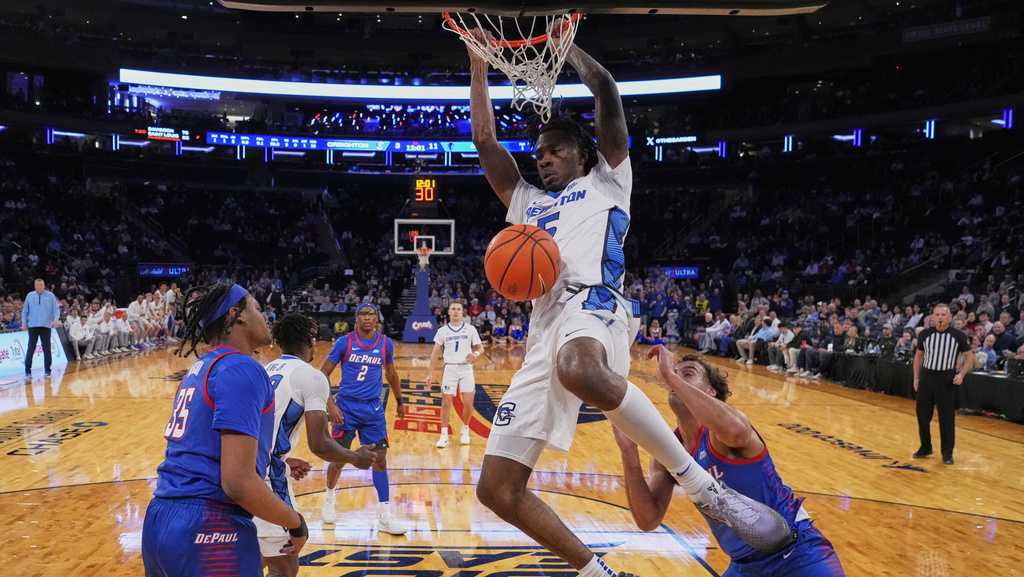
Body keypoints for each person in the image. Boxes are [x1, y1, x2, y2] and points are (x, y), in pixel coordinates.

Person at [467, 28, 790, 577]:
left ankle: (704, 488)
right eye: (539, 154)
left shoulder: (608, 179)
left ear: (581, 152)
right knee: (496, 489)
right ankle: (598, 573)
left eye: (556, 150)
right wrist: (478, 63)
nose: (544, 160)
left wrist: (558, 42)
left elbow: (606, 89)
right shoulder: (525, 203)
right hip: (544, 329)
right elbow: (484, 140)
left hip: (596, 307)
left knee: (579, 367)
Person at [614, 348, 846, 577]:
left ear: (711, 391)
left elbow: (736, 433)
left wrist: (673, 378)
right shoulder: (669, 449)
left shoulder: (721, 432)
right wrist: (629, 453)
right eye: (675, 373)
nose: (674, 377)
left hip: (796, 552)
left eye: (688, 374)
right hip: (745, 567)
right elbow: (648, 519)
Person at [142, 283, 308, 577]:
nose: (265, 315)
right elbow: (238, 482)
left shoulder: (202, 367)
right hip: (209, 526)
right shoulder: (241, 368)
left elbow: (205, 447)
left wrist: (274, 460)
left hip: (160, 519)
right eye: (257, 308)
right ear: (237, 315)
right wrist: (294, 522)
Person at [259, 314, 376, 577]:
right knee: (285, 564)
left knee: (257, 557)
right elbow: (320, 444)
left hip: (247, 468)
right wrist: (355, 457)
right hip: (266, 478)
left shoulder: (266, 370)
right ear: (311, 341)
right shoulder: (311, 377)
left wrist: (285, 459)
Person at [319, 303, 408, 535]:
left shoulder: (385, 343)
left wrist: (399, 401)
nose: (367, 318)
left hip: (373, 411)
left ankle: (384, 517)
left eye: (371, 314)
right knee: (338, 457)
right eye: (363, 314)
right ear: (356, 319)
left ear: (377, 319)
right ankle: (329, 497)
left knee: (379, 459)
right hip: (345, 408)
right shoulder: (344, 342)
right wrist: (330, 404)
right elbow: (322, 374)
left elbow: (391, 373)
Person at [913, 304, 973, 465]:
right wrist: (916, 378)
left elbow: (969, 357)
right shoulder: (925, 334)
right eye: (937, 314)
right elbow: (918, 357)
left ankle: (947, 453)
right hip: (926, 378)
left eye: (943, 315)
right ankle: (926, 447)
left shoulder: (958, 335)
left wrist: (961, 374)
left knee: (947, 418)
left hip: (946, 379)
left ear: (949, 317)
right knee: (922, 415)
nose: (940, 317)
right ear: (933, 316)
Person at [426, 302, 484, 449]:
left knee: (469, 403)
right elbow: (435, 353)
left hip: (466, 369)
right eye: (453, 309)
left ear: (462, 312)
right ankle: (444, 434)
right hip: (450, 368)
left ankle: (465, 429)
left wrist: (475, 354)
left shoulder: (470, 329)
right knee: (446, 402)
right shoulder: (442, 331)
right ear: (449, 312)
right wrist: (430, 373)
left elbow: (480, 348)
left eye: (459, 309)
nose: (456, 311)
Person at [22, 278, 60, 376]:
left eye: (41, 285)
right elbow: (25, 310)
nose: (39, 287)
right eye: (37, 285)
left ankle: (47, 370)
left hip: (46, 326)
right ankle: (27, 370)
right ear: (35, 286)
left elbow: (56, 309)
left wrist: (56, 319)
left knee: (47, 348)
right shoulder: (29, 295)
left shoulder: (50, 295)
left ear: (44, 285)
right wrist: (24, 323)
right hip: (33, 326)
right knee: (31, 348)